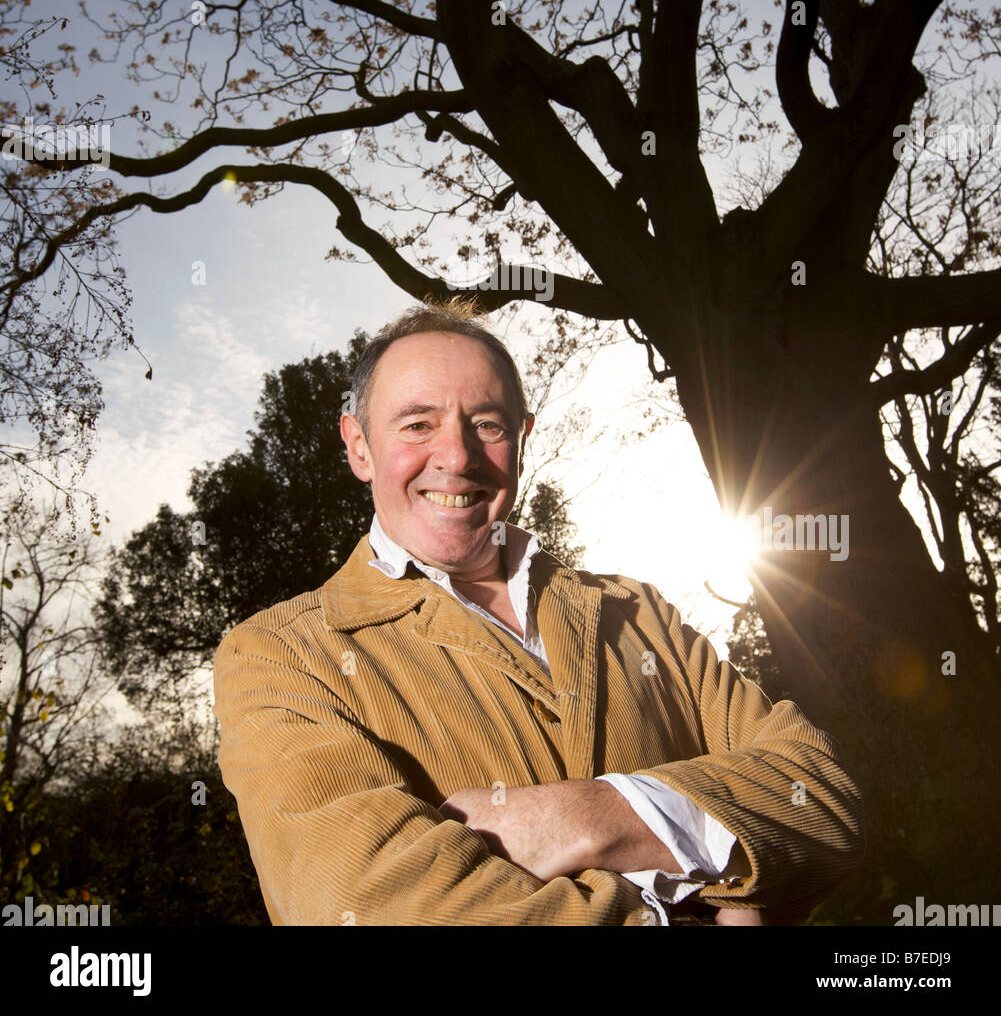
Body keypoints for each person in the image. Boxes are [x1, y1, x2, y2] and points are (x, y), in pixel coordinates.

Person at [214, 302, 865, 926]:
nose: (457, 456)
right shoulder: (280, 654)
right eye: (417, 424)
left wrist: (588, 819)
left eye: (487, 424)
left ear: (521, 441)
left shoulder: (640, 614)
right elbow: (370, 906)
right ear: (359, 446)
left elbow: (821, 795)